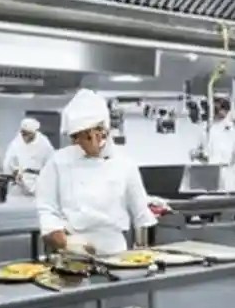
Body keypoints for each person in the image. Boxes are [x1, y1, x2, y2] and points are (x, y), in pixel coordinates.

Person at [36, 89, 156, 255]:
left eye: (87, 137)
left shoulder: (124, 163)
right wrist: (65, 242)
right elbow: (47, 208)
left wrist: (144, 251)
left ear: (102, 132)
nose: (81, 143)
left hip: (115, 252)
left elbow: (141, 213)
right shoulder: (58, 161)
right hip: (73, 250)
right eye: (77, 138)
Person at [1, 117, 54, 206]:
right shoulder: (16, 143)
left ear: (34, 133)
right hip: (18, 188)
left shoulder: (44, 144)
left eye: (27, 134)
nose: (24, 136)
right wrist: (14, 172)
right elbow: (8, 162)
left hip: (36, 186)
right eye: (23, 133)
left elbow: (51, 165)